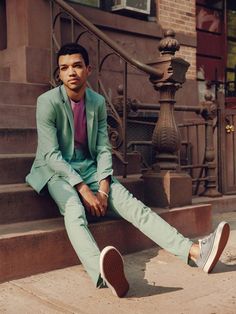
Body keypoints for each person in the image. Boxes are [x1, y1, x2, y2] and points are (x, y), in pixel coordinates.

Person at [26, 43, 230, 298]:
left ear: (88, 70)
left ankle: (195, 253)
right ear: (59, 73)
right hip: (55, 170)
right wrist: (82, 190)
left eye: (77, 66)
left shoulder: (97, 102)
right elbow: (51, 154)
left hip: (90, 168)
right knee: (74, 209)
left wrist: (102, 188)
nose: (71, 73)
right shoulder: (46, 102)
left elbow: (102, 148)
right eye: (64, 68)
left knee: (135, 206)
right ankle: (103, 275)